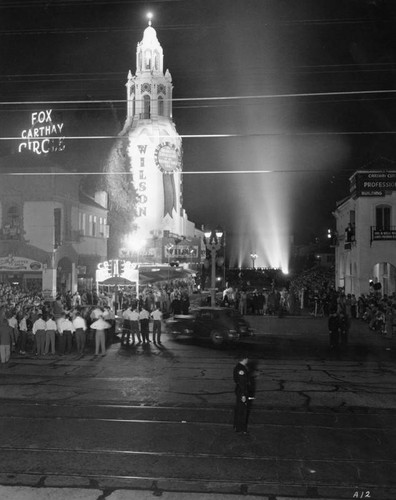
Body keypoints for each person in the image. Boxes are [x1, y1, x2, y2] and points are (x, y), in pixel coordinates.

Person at [233, 355, 251, 434]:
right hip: (242, 392)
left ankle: (236, 426)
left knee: (239, 409)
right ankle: (241, 429)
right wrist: (243, 395)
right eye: (247, 358)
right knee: (242, 411)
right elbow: (242, 383)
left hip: (239, 390)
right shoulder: (241, 369)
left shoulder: (238, 367)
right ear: (245, 359)